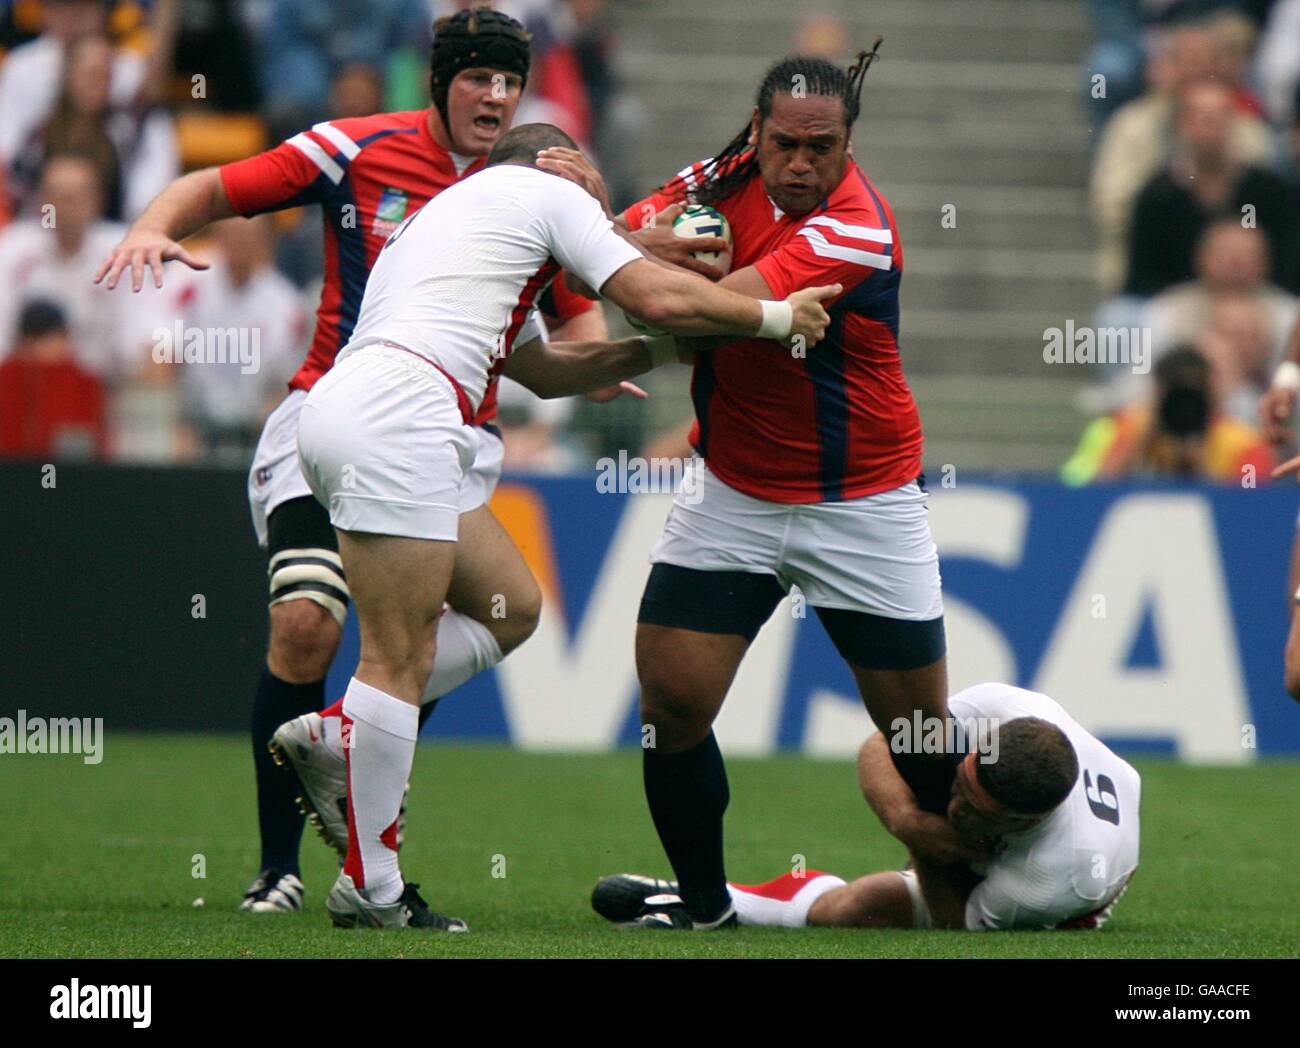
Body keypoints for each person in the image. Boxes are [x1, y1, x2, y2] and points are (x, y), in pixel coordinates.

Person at [294, 120, 837, 931]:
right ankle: (369, 884)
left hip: (359, 409)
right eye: (590, 170)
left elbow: (540, 370)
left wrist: (663, 353)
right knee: (395, 659)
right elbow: (649, 294)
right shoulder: (549, 190)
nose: (601, 190)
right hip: (400, 417)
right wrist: (769, 319)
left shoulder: (455, 214)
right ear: (555, 164)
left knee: (510, 604)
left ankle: (352, 728)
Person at [93, 8, 556, 914]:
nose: (496, 96)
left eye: (510, 81)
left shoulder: (529, 187)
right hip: (331, 417)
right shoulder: (357, 149)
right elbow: (218, 185)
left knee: (501, 616)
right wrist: (152, 223)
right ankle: (280, 867)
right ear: (436, 79)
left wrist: (634, 351)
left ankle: (351, 748)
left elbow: (558, 338)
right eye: (478, 77)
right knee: (307, 625)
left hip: (449, 445)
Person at [543, 48, 955, 932]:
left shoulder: (856, 228)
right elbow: (582, 274)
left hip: (863, 504)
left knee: (920, 748)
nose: (802, 164)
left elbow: (688, 310)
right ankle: (703, 909)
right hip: (733, 491)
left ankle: (1001, 893)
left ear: (849, 144)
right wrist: (611, 232)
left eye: (823, 147)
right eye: (784, 145)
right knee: (671, 707)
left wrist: (613, 234)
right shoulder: (720, 175)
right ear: (755, 134)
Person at [592, 682, 1141, 932]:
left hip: (1080, 903)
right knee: (862, 903)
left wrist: (921, 845)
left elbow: (956, 923)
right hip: (1058, 827)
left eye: (974, 809)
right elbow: (885, 742)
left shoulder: (1053, 878)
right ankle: (702, 897)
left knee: (864, 906)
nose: (953, 805)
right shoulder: (1007, 708)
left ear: (1025, 821)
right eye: (960, 781)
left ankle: (714, 902)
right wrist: (909, 819)